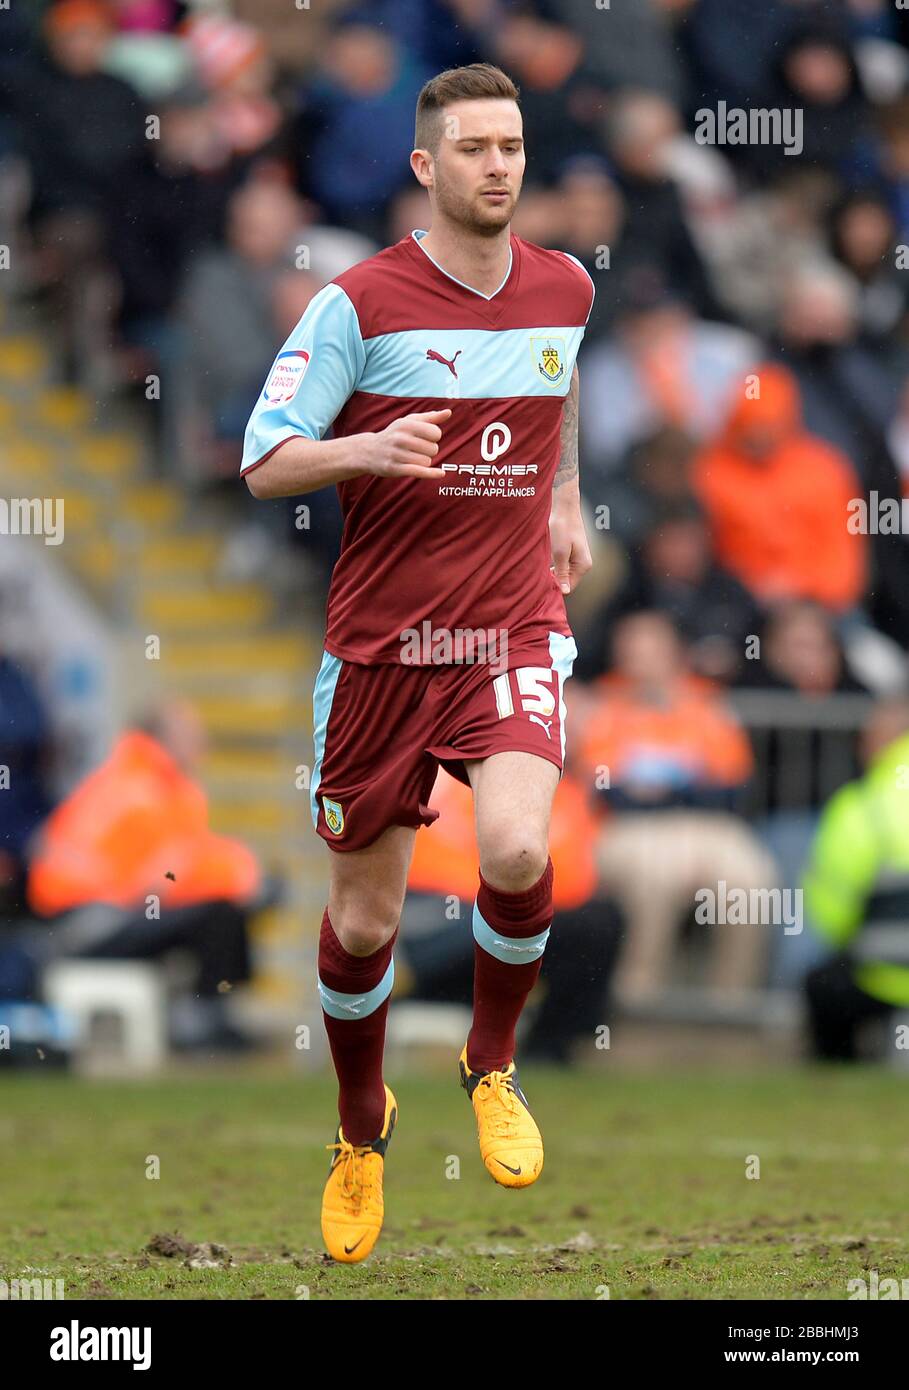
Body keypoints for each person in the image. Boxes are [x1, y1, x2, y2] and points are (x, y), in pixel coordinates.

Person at [242, 63, 594, 1262]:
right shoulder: (359, 303)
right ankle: (359, 1129)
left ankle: (490, 1064)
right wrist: (364, 448)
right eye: (475, 148)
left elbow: (559, 376)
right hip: (383, 649)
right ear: (425, 168)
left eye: (512, 145)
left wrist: (565, 494)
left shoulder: (565, 288)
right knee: (360, 919)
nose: (499, 165)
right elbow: (263, 459)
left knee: (514, 847)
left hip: (509, 626)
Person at [803, 698, 909, 1061]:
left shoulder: (859, 806)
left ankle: (837, 1073)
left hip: (882, 978)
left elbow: (832, 916)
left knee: (824, 984)